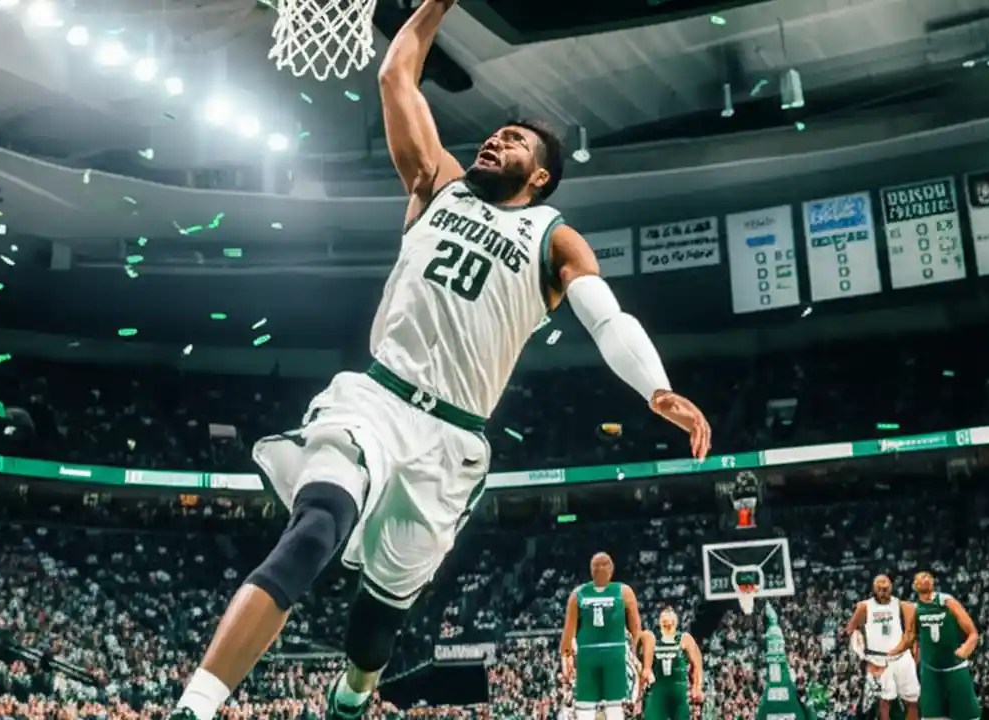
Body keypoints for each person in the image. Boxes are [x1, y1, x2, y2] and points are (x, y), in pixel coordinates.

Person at [170, 0, 711, 716]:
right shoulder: (437, 182)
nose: (495, 141)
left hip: (451, 441)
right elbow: (396, 75)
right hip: (376, 399)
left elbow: (605, 316)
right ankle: (196, 704)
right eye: (495, 133)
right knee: (316, 525)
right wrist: (439, 3)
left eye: (513, 141)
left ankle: (354, 693)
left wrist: (655, 389)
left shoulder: (554, 238)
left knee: (377, 624)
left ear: (539, 176)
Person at [560, 553, 645, 720]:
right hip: (589, 657)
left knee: (618, 709)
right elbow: (568, 635)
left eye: (604, 564)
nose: (600, 568)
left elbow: (637, 632)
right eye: (596, 565)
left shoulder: (624, 592)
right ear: (590, 570)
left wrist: (640, 661)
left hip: (616, 655)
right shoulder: (578, 594)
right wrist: (566, 661)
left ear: (612, 569)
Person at [888, 572, 981, 720]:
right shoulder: (915, 609)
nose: (924, 579)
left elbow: (973, 633)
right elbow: (909, 637)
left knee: (967, 716)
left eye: (927, 577)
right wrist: (891, 653)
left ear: (933, 582)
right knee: (932, 716)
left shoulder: (947, 602)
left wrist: (967, 647)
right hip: (931, 672)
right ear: (914, 586)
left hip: (955, 668)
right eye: (920, 578)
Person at [842, 574, 920, 720]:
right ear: (874, 589)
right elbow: (850, 630)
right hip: (878, 659)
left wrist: (914, 653)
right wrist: (864, 658)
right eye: (880, 587)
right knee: (884, 701)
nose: (883, 590)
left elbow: (912, 632)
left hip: (901, 657)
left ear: (891, 588)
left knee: (912, 699)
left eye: (885, 587)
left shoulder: (900, 605)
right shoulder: (864, 606)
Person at [640, 607, 703, 720]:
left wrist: (697, 686)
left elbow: (697, 664)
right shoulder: (652, 639)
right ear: (660, 623)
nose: (667, 624)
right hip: (658, 689)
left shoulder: (684, 639)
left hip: (678, 689)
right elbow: (644, 666)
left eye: (670, 622)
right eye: (664, 621)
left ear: (675, 623)